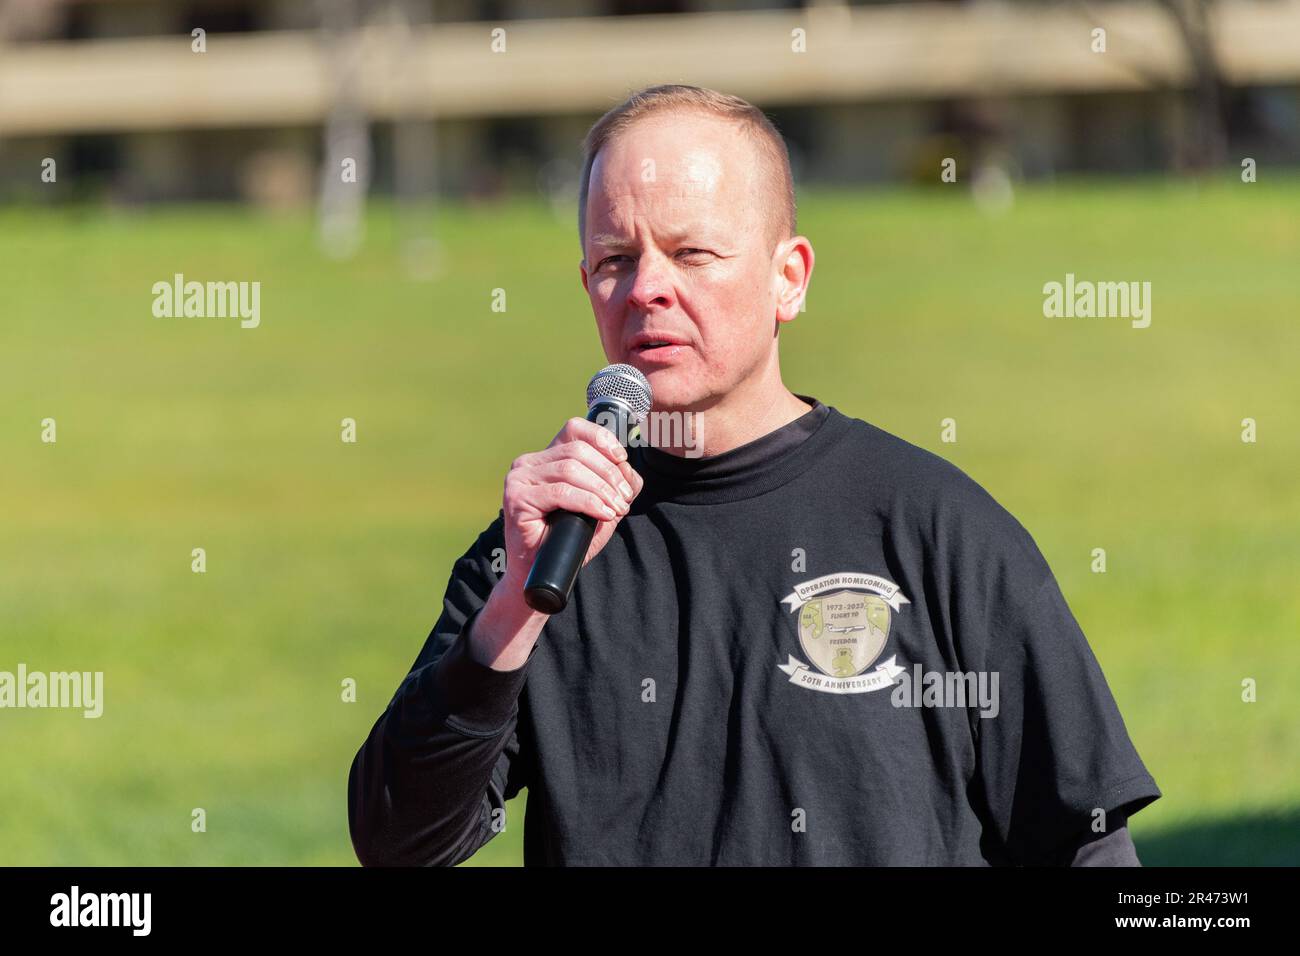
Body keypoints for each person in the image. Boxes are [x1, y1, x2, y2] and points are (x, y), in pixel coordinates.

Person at [347, 84, 1161, 866]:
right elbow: (400, 843)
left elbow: (1082, 842)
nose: (646, 289)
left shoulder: (938, 530)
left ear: (789, 278)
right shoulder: (543, 550)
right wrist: (511, 614)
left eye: (691, 253)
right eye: (615, 259)